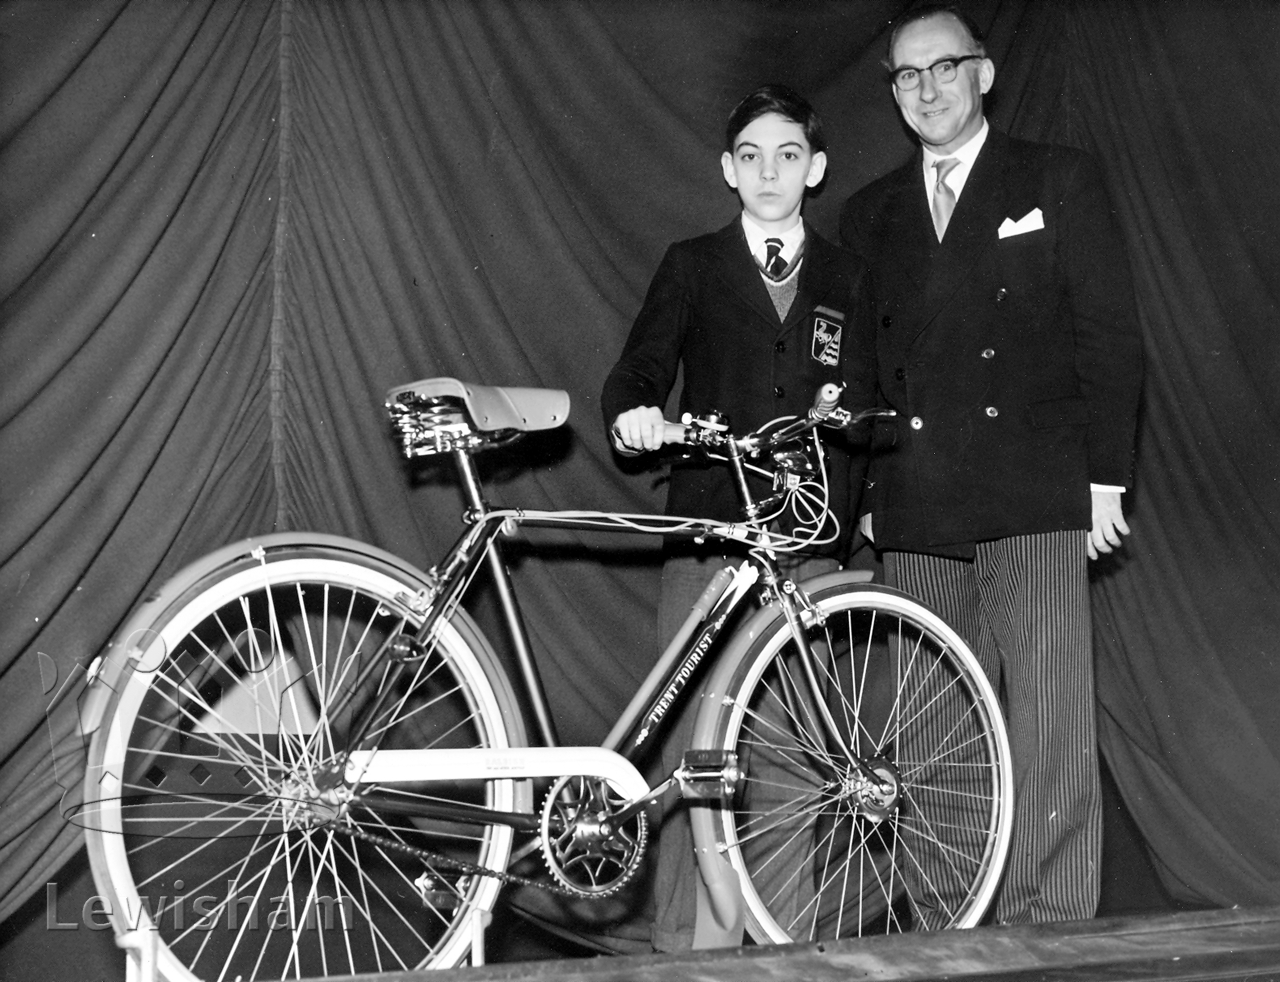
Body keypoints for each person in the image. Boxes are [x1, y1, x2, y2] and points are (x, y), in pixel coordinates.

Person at [839, 5, 1143, 925]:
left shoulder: (1055, 176)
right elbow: (863, 371)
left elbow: (1110, 335)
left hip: (1037, 490)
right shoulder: (870, 212)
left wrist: (1105, 480)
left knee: (1048, 722)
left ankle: (1049, 925)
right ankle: (944, 915)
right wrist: (861, 500)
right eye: (907, 76)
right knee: (931, 725)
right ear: (894, 93)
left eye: (943, 69)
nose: (926, 89)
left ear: (984, 74)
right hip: (919, 496)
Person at [602, 83, 875, 951]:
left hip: (807, 541)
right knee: (695, 754)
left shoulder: (849, 276)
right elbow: (635, 374)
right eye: (751, 156)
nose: (769, 172)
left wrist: (853, 504)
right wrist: (635, 415)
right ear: (727, 169)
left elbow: (869, 398)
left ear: (816, 169)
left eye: (788, 155)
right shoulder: (692, 263)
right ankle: (687, 951)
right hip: (712, 535)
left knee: (796, 754)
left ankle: (782, 948)